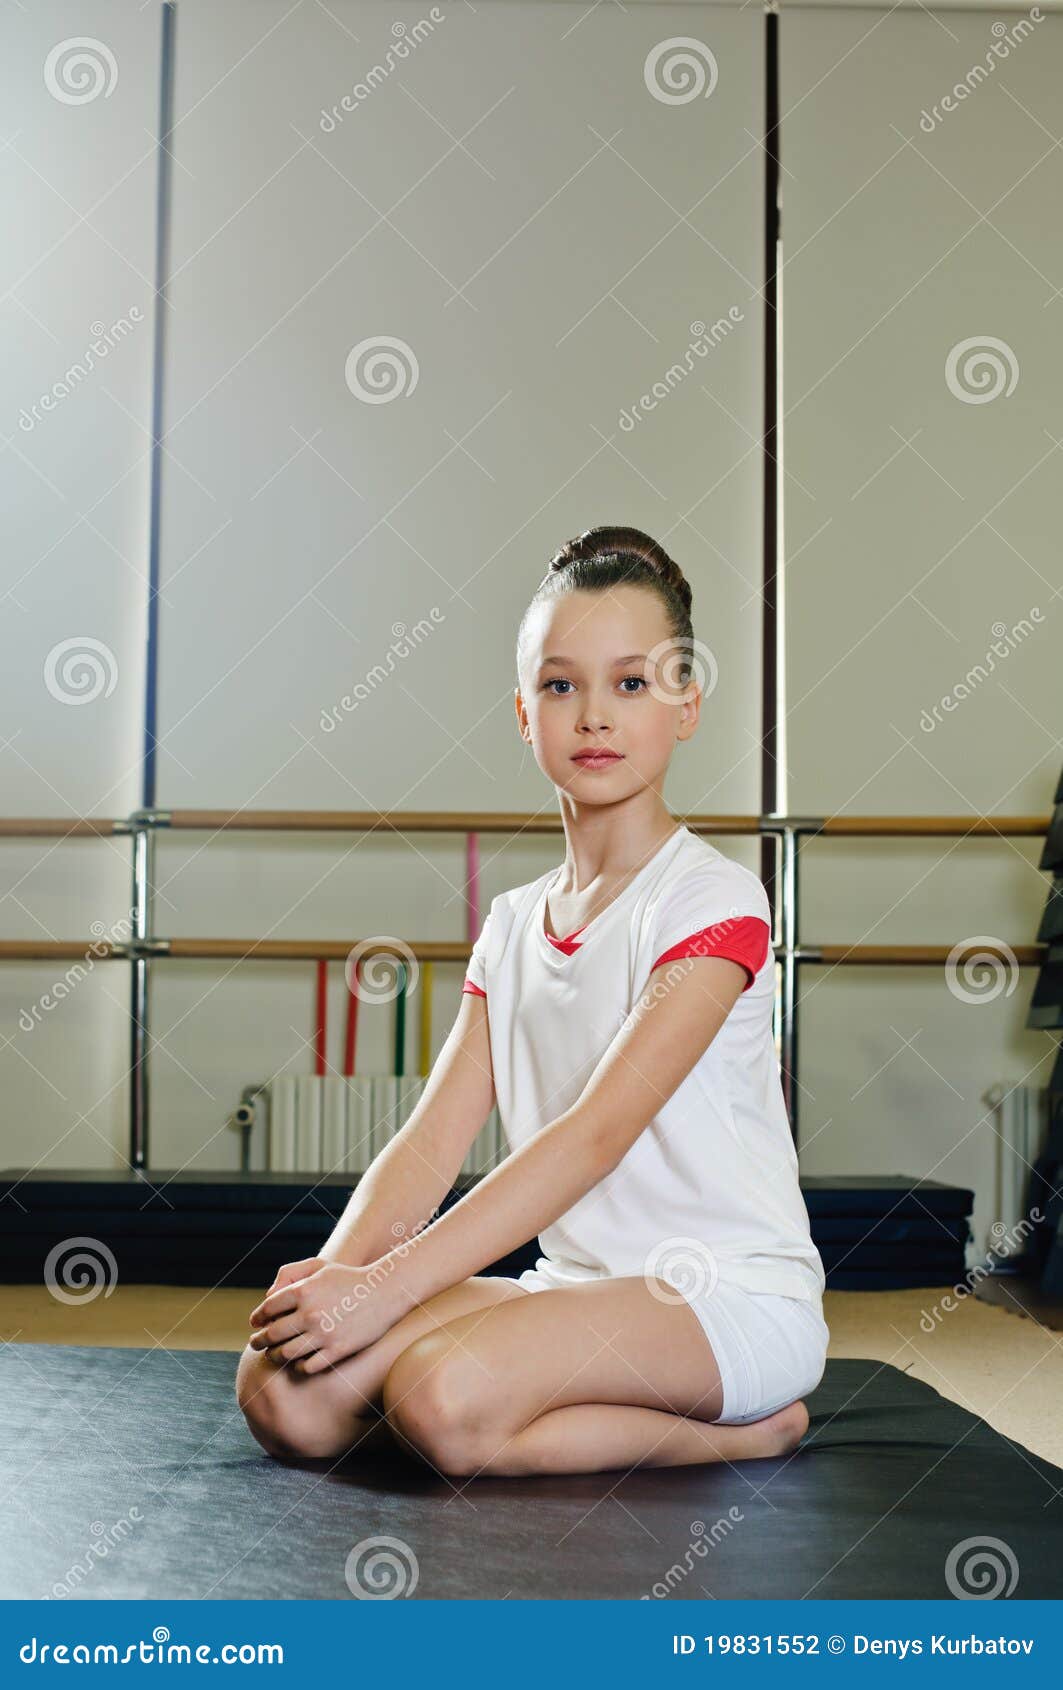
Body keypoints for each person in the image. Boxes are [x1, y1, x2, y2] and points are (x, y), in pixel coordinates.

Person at [236, 525, 828, 1478]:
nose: (594, 715)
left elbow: (594, 1136)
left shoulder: (714, 897)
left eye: (631, 683)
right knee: (283, 1396)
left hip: (721, 1297)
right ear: (523, 713)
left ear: (685, 704)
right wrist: (338, 1284)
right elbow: (432, 1142)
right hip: (574, 1291)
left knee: (442, 1401)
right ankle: (488, 1377)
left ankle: (753, 1430)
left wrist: (386, 1293)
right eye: (561, 685)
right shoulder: (513, 923)